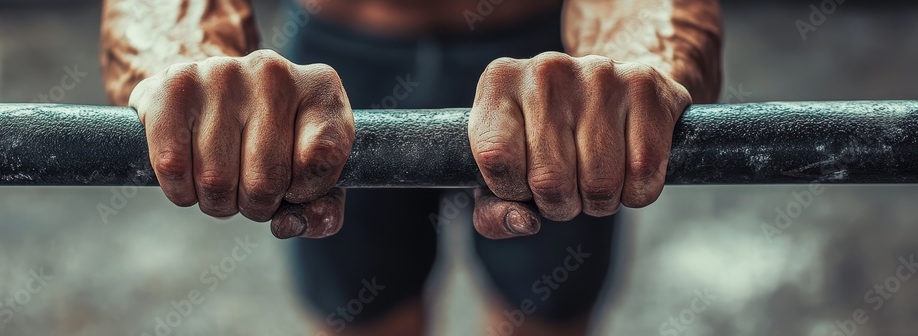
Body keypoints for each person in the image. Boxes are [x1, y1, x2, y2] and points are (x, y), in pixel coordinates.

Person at [100, 0, 721, 334]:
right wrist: (187, 63)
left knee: (544, 319)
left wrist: (640, 63)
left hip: (552, 77)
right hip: (340, 68)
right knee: (364, 320)